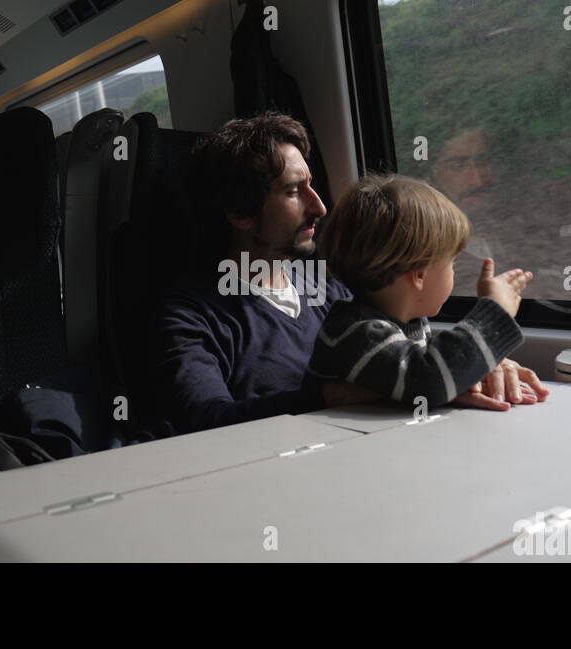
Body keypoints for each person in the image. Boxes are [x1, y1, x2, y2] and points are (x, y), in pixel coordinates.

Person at [150, 114, 547, 436]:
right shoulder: (190, 316)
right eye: (293, 192)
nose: (320, 207)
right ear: (240, 213)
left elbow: (409, 357)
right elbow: (201, 423)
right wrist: (328, 397)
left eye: (313, 186)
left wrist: (479, 366)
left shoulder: (333, 289)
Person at [306, 174, 548, 409]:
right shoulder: (358, 333)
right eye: (452, 264)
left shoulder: (405, 325)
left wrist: (480, 368)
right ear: (419, 274)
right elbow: (428, 381)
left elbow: (436, 363)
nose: (454, 272)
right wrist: (495, 312)